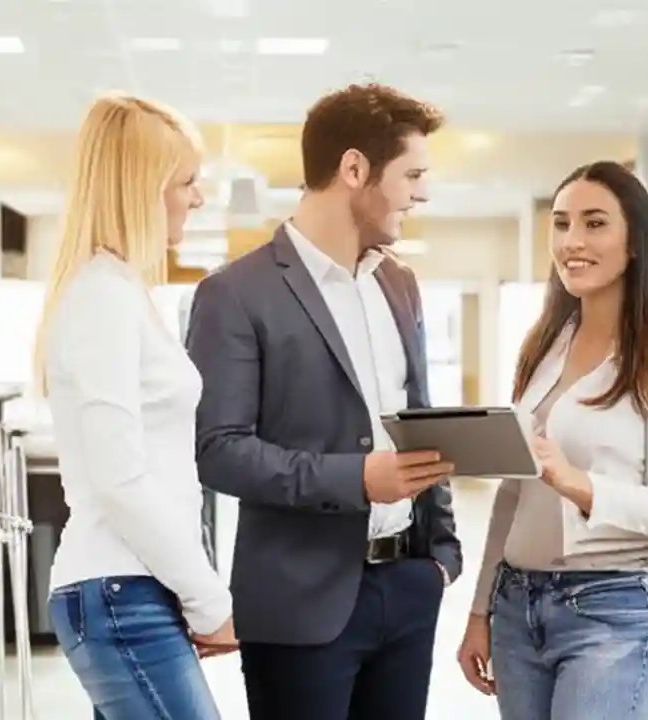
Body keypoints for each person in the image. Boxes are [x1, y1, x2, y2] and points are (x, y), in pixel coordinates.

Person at [186, 83, 461, 720]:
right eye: (412, 174)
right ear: (355, 169)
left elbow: (420, 416)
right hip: (298, 606)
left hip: (408, 587)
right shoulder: (234, 294)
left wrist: (440, 559)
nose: (423, 193)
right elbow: (217, 451)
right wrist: (357, 479)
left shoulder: (400, 284)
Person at [456, 161, 648, 720]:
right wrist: (480, 610)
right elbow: (514, 493)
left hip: (608, 616)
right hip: (517, 610)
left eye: (595, 224)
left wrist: (579, 484)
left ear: (634, 241)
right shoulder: (545, 345)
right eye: (562, 224)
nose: (573, 241)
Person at [32, 92, 237, 720]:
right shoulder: (103, 298)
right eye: (187, 182)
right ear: (142, 188)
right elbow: (120, 479)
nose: (197, 198)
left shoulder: (122, 291)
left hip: (134, 586)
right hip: (120, 590)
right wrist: (209, 600)